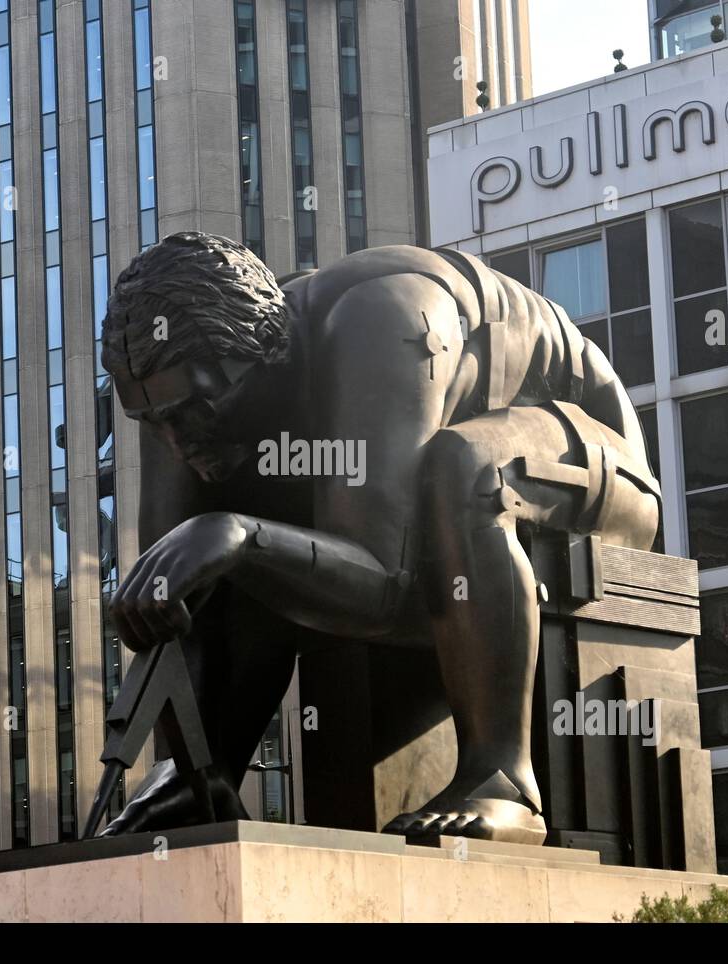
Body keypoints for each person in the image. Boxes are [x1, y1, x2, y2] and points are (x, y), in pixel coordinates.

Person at [99, 231, 659, 842]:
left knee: (466, 469)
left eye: (197, 410)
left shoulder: (380, 316)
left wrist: (234, 534)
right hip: (423, 491)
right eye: (155, 421)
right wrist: (189, 759)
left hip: (597, 463)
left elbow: (388, 583)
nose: (179, 440)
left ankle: (503, 780)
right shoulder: (176, 388)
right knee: (203, 557)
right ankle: (200, 781)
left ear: (267, 355)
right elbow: (174, 604)